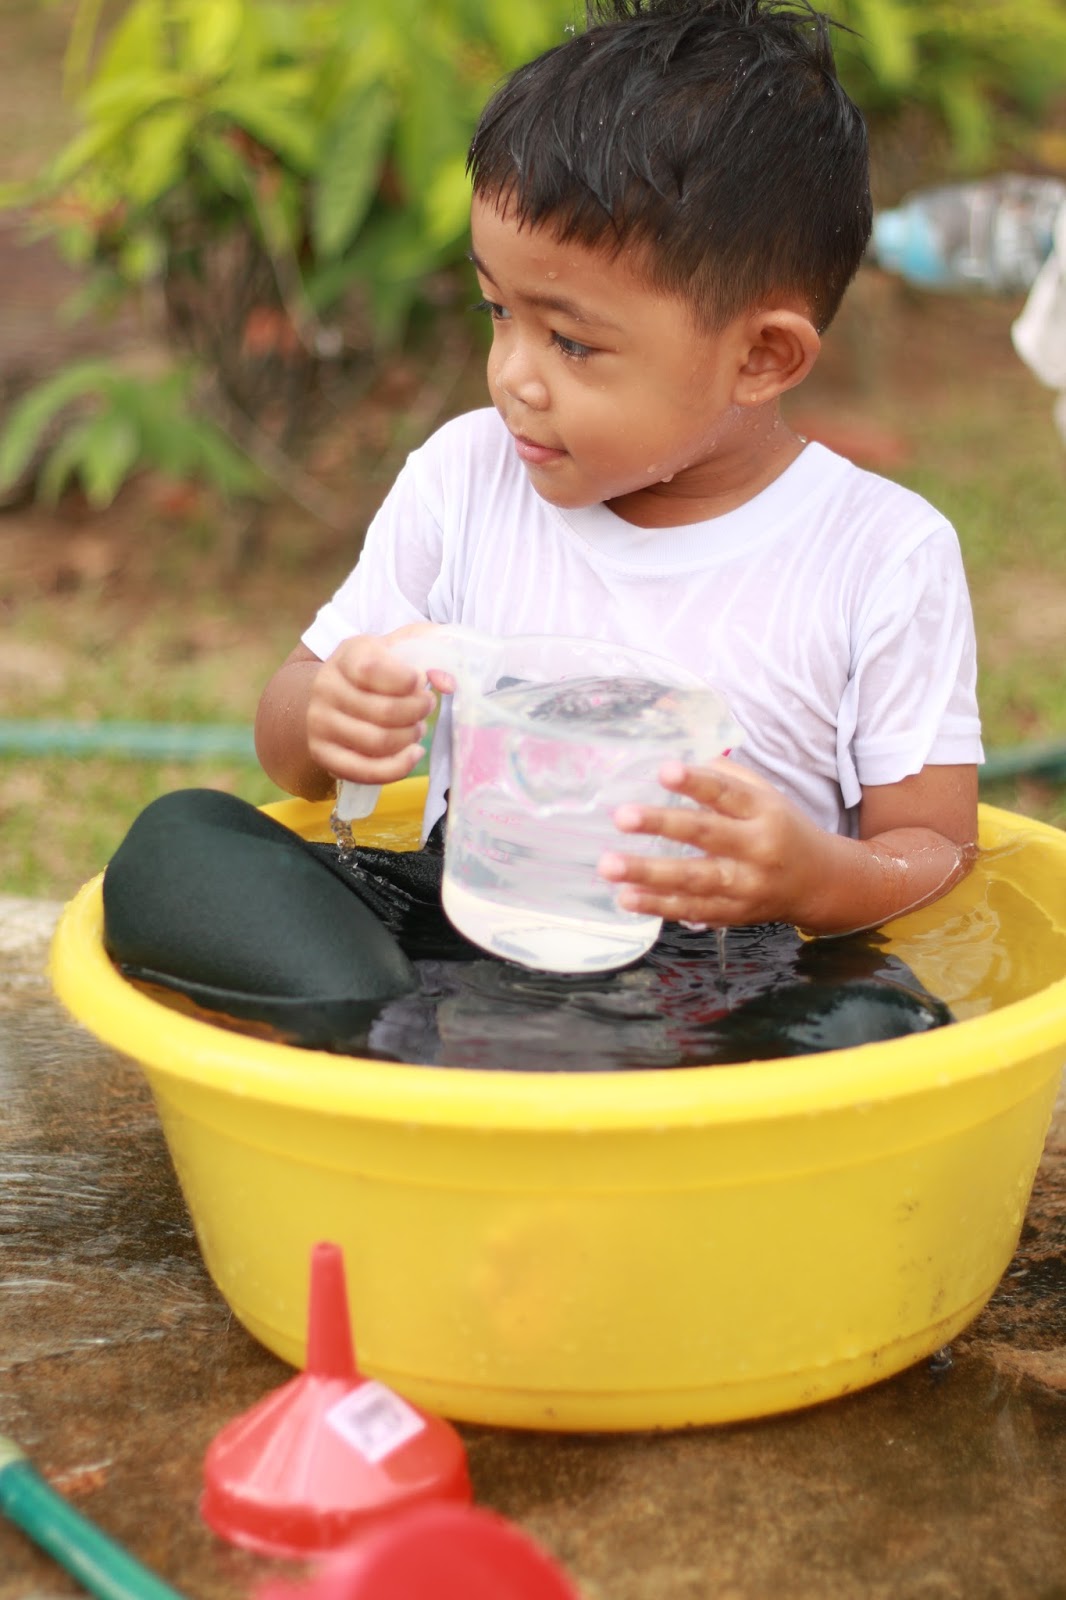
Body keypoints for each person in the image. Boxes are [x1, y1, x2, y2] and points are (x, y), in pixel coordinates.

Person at [103, 0, 982, 1058]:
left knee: (879, 1017)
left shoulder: (879, 553)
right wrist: (327, 712)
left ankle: (500, 1073)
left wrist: (810, 875)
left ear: (761, 357)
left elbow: (935, 850)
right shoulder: (465, 476)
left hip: (718, 979)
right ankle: (398, 1038)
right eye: (497, 314)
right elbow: (290, 743)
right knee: (176, 843)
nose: (514, 376)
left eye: (571, 341)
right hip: (450, 924)